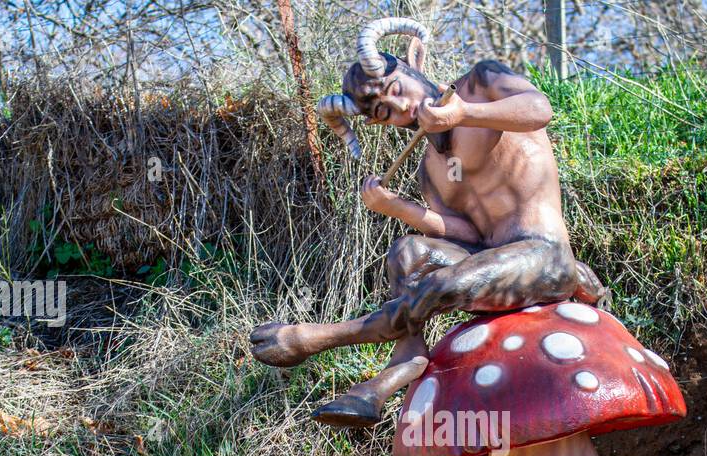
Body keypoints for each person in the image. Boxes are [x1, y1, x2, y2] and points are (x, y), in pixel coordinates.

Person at [249, 17, 607, 427]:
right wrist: (395, 207)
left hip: (542, 253)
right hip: (488, 258)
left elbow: (538, 109)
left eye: (397, 90)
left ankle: (320, 337)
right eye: (386, 112)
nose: (401, 109)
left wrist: (464, 112)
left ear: (412, 63)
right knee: (408, 253)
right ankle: (407, 354)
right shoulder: (430, 167)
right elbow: (466, 234)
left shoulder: (481, 84)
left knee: (443, 283)